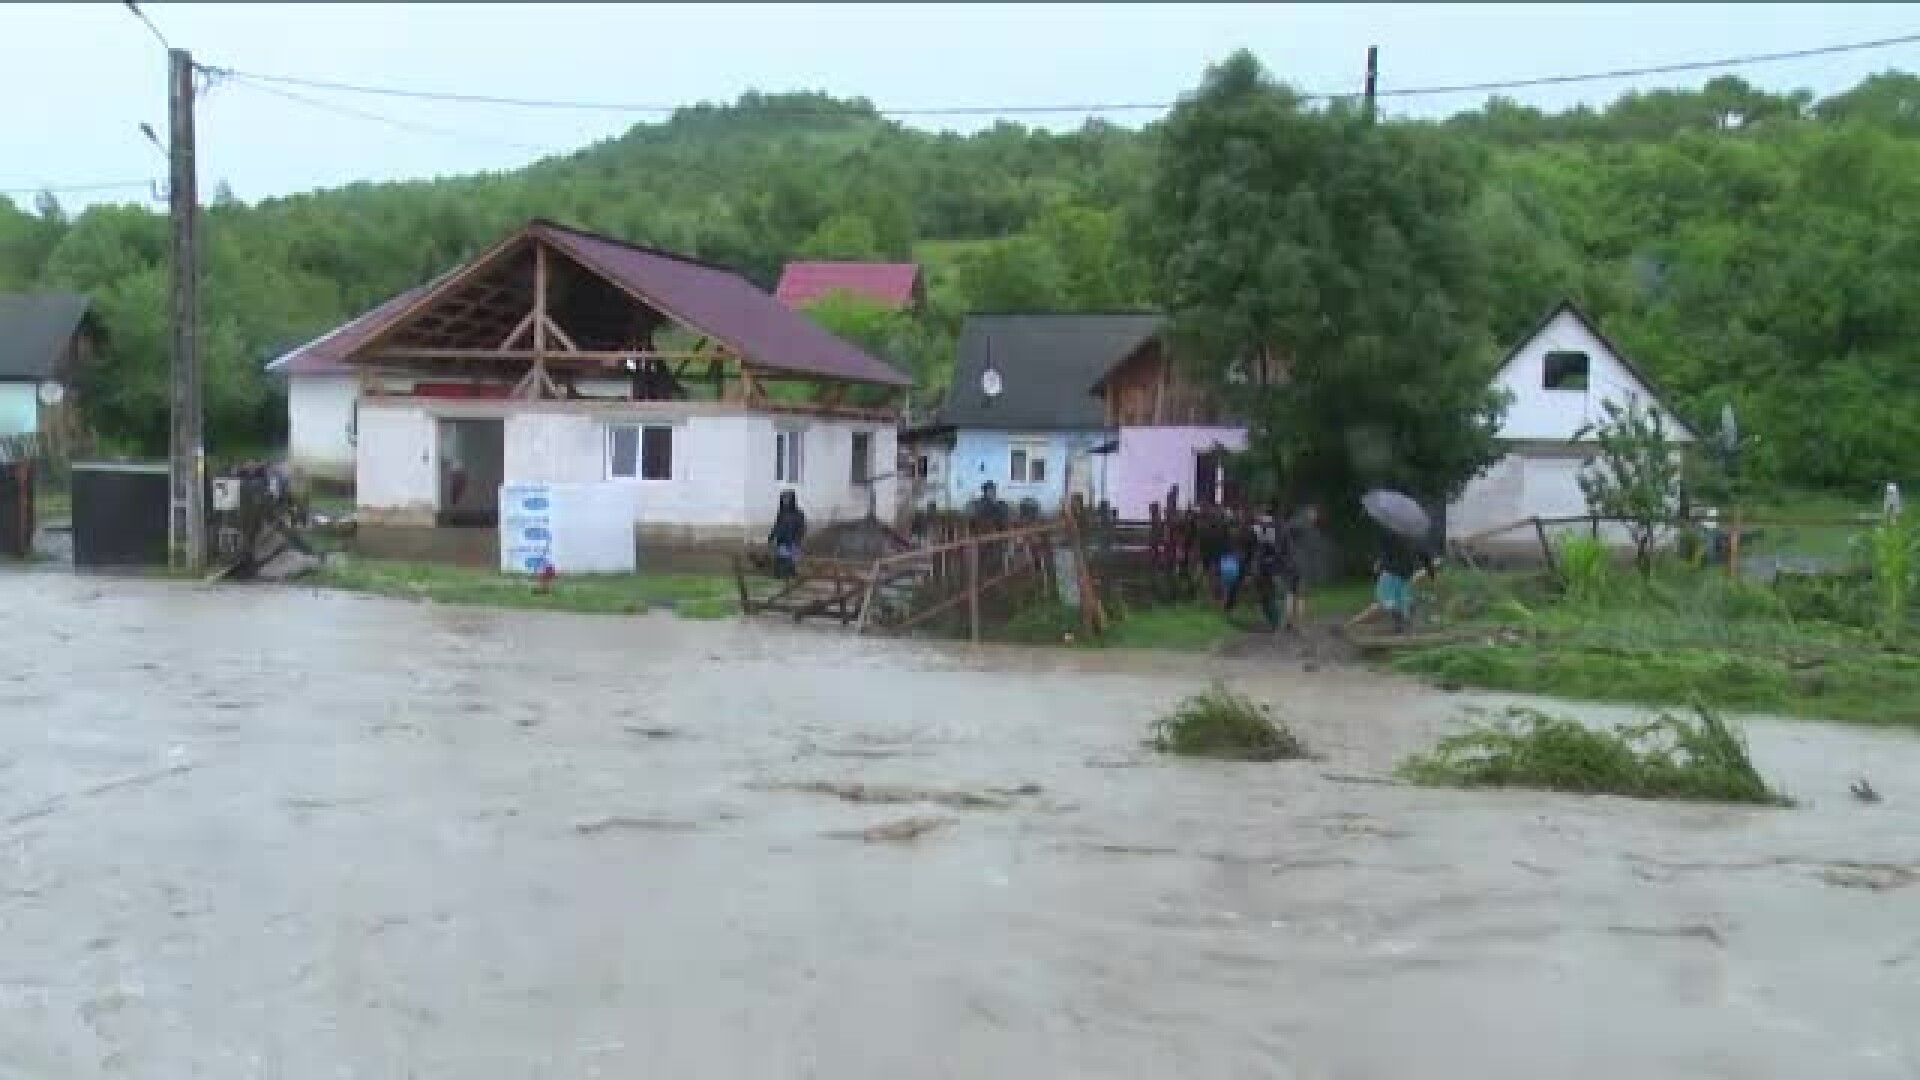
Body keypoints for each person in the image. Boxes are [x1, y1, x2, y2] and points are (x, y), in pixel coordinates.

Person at [1348, 528, 1436, 634]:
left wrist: (1380, 562)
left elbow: (1384, 552)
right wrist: (1431, 574)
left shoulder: (1390, 534)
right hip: (1403, 575)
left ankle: (1401, 625)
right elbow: (1425, 556)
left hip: (1392, 575)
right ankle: (1402, 625)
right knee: (1401, 602)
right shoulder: (1414, 537)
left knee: (1390, 602)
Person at [1276, 504, 1322, 633]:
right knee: (1301, 596)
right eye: (1314, 514)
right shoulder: (1311, 529)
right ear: (1310, 513)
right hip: (1303, 566)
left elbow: (1283, 538)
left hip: (1291, 564)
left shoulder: (1293, 524)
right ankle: (1299, 626)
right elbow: (1313, 550)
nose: (1315, 517)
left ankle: (1287, 624)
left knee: (1290, 593)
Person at [768, 490, 807, 579]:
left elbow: (801, 528)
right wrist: (771, 536)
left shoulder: (798, 514)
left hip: (793, 541)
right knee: (781, 559)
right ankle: (780, 575)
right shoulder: (781, 513)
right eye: (784, 499)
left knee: (792, 559)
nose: (786, 501)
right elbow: (776, 526)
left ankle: (791, 574)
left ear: (792, 500)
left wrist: (797, 539)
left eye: (787, 499)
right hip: (782, 541)